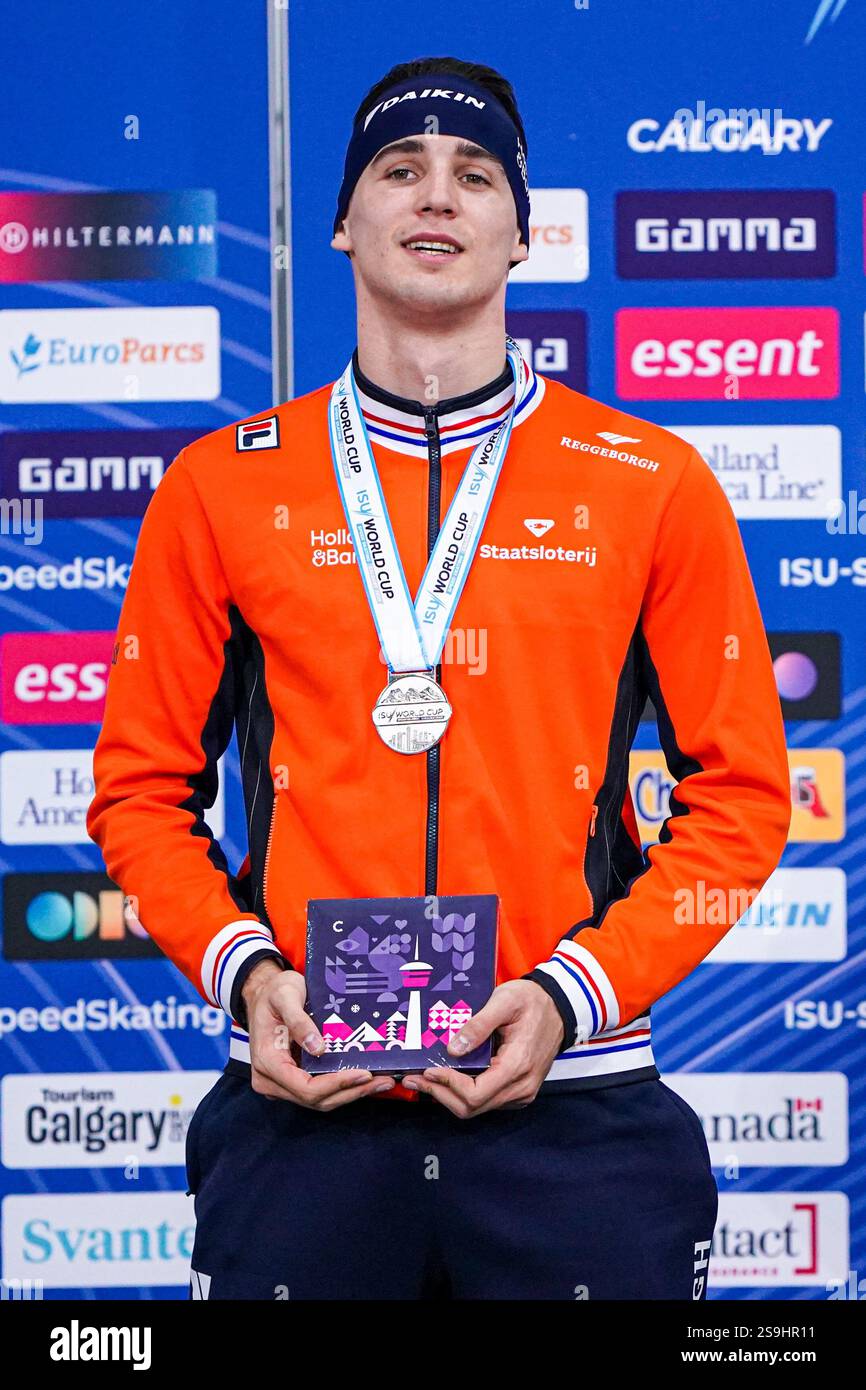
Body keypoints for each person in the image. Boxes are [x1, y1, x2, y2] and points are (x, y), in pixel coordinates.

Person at [87, 55, 791, 1301]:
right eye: (398, 168)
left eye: (474, 175)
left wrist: (574, 995)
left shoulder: (648, 482)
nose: (436, 196)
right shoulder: (219, 486)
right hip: (305, 1112)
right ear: (344, 222)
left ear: (521, 229)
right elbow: (139, 793)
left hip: (572, 1112)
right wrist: (248, 977)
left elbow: (740, 798)